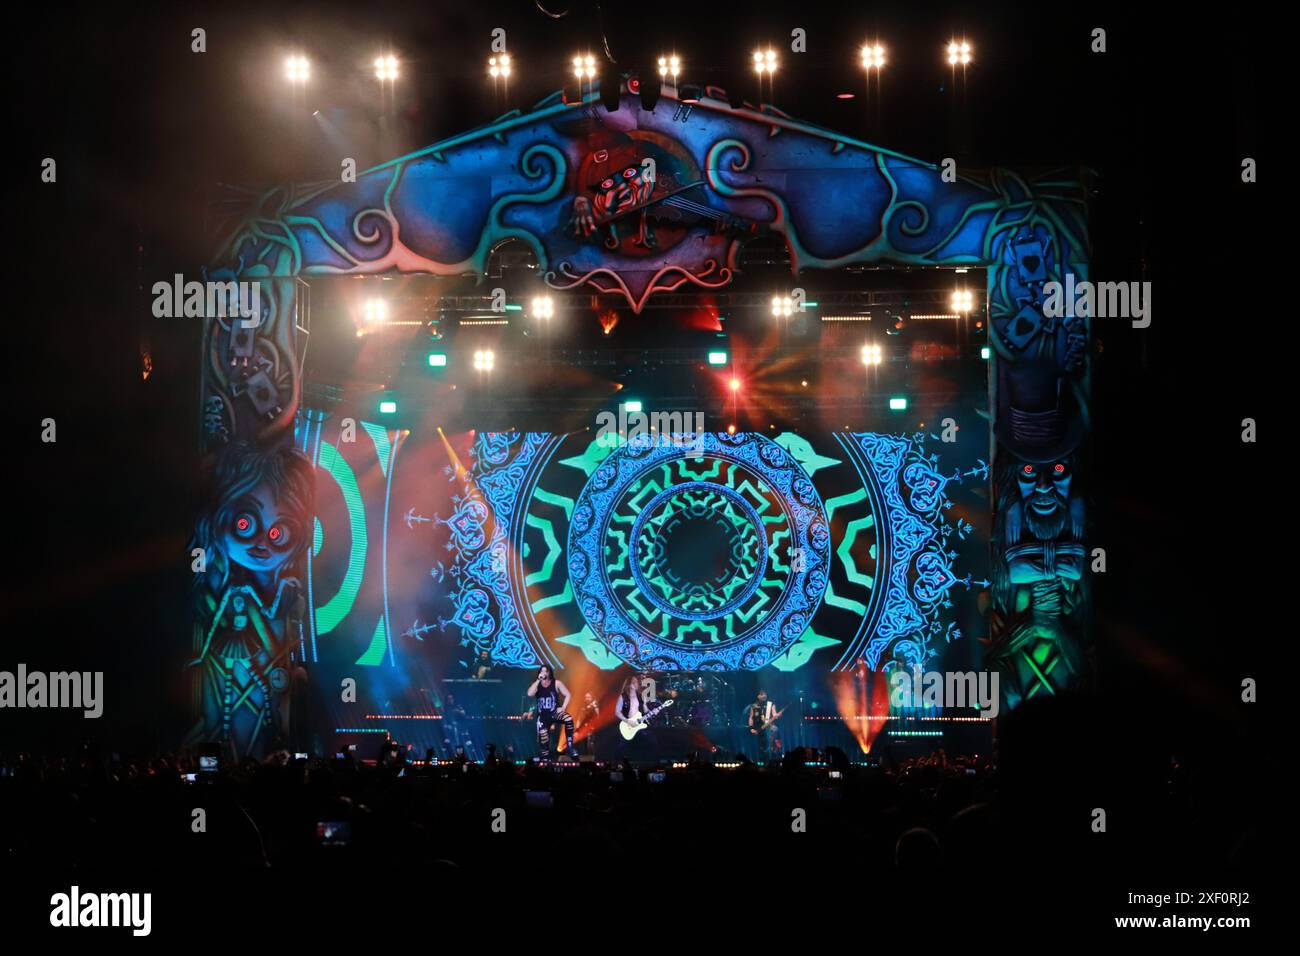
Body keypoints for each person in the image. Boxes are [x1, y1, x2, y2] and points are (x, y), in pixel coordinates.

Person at [526, 666, 577, 760]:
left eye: (546, 671)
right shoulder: (537, 684)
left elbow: (568, 694)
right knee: (544, 743)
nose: (544, 673)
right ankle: (545, 759)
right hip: (543, 717)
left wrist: (563, 708)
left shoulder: (556, 683)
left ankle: (570, 747)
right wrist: (538, 680)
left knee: (568, 719)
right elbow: (529, 694)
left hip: (554, 713)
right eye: (542, 671)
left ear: (550, 673)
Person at [748, 690, 778, 761]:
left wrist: (776, 716)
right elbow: (751, 718)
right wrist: (751, 728)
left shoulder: (771, 704)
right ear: (758, 696)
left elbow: (774, 714)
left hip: (768, 727)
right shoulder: (753, 706)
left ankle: (772, 747)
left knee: (774, 729)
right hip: (758, 728)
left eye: (765, 694)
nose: (764, 696)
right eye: (761, 694)